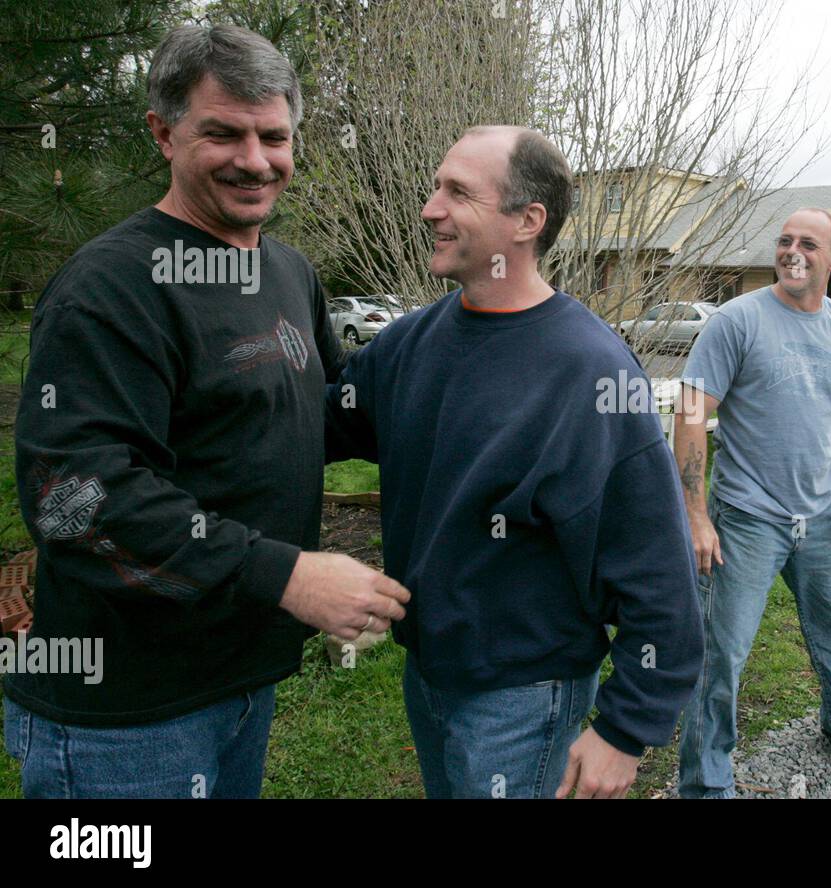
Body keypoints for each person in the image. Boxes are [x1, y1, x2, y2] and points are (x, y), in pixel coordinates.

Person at [3, 24, 410, 799]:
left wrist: (475, 367)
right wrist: (285, 574)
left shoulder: (285, 269)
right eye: (223, 133)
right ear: (162, 132)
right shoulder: (111, 289)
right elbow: (74, 500)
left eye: (273, 136)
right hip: (124, 712)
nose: (255, 161)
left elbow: (323, 414)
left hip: (238, 680)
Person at [324, 125, 703, 799]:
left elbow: (658, 567)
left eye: (457, 192)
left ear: (528, 221)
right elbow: (322, 424)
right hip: (431, 674)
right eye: (436, 187)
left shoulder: (589, 372)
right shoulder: (413, 341)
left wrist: (625, 729)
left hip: (524, 697)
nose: (429, 208)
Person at [674, 208, 831, 799]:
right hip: (746, 518)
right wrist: (696, 516)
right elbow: (692, 412)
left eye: (808, 243)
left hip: (820, 515)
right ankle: (705, 783)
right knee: (722, 653)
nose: (793, 251)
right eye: (784, 241)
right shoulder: (737, 321)